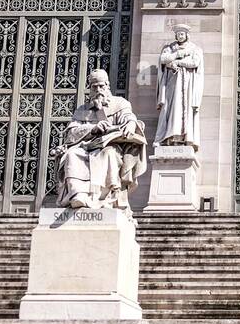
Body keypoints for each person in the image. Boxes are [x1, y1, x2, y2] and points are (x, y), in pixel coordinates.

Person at [52, 70, 147, 209]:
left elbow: (129, 117)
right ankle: (78, 195)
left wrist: (131, 124)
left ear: (107, 86)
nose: (98, 90)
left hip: (112, 148)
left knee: (107, 154)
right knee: (72, 155)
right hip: (85, 148)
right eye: (94, 87)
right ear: (90, 88)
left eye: (101, 86)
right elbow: (72, 133)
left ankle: (100, 197)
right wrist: (93, 128)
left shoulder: (119, 103)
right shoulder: (83, 109)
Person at [154, 24, 203, 149]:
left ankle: (184, 138)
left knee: (184, 109)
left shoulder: (194, 48)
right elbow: (163, 59)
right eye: (178, 34)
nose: (180, 36)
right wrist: (176, 55)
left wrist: (177, 62)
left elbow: (195, 62)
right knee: (170, 108)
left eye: (182, 34)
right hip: (172, 83)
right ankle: (168, 137)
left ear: (187, 35)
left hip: (187, 85)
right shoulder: (169, 48)